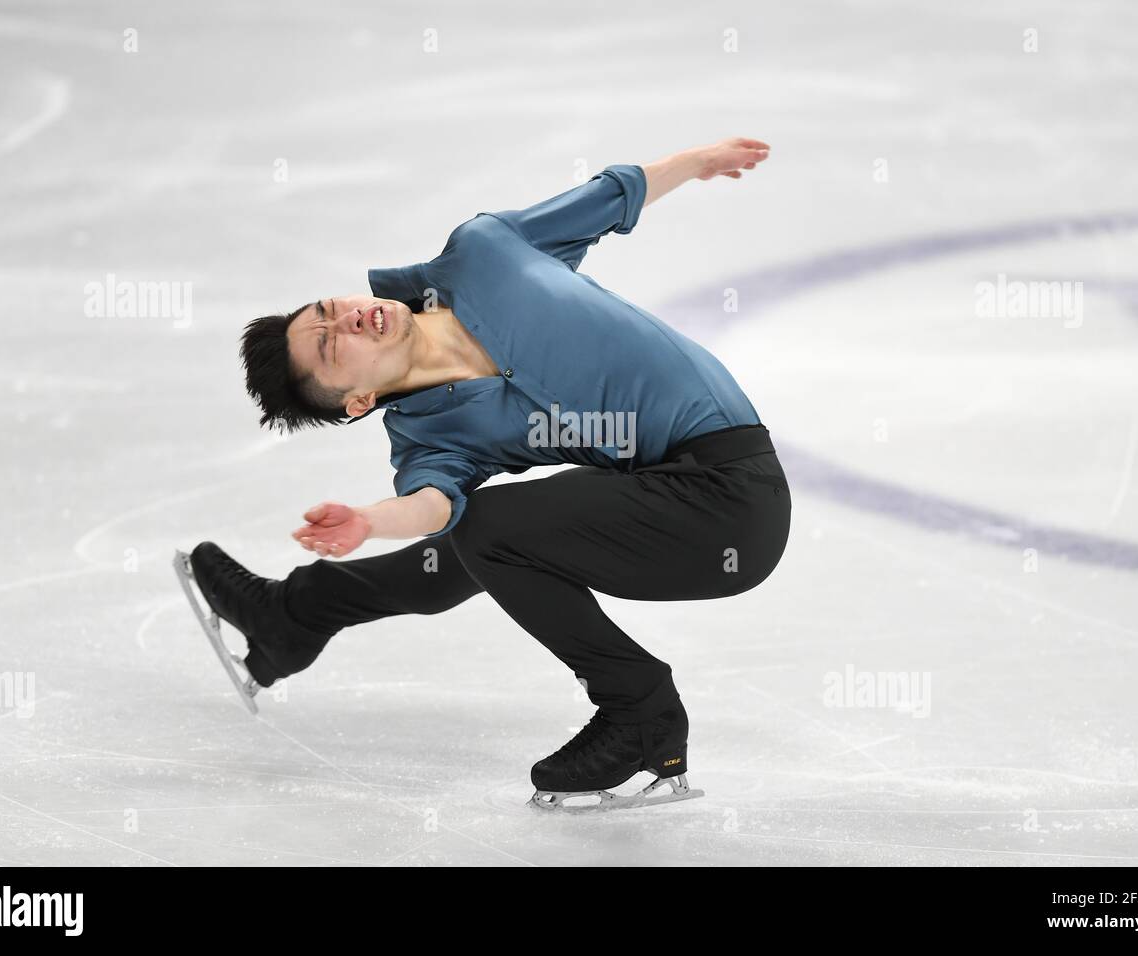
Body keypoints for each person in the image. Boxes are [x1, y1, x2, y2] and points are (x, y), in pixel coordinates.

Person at [178, 137, 791, 810]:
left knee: (493, 535)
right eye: (331, 346)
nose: (347, 319)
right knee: (482, 535)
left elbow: (607, 197)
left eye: (330, 309)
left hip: (732, 502)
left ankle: (635, 707)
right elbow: (436, 504)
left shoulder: (481, 251)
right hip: (675, 505)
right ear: (356, 402)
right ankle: (295, 617)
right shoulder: (430, 431)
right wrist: (370, 521)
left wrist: (698, 163)